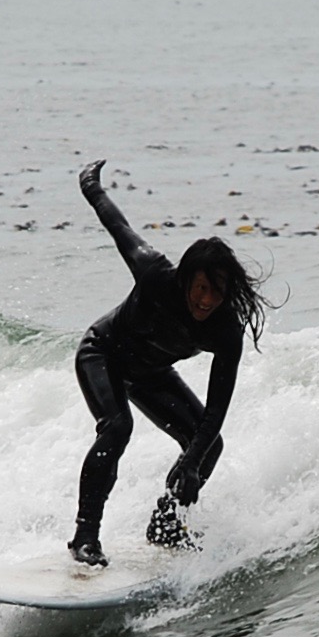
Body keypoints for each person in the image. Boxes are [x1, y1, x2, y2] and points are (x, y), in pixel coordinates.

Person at [67, 160, 267, 567]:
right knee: (117, 428)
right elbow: (119, 227)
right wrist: (92, 187)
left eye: (217, 292)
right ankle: (85, 537)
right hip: (103, 353)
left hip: (150, 374)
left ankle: (165, 525)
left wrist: (191, 462)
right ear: (187, 279)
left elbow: (216, 409)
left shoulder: (226, 330)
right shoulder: (155, 273)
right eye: (201, 288)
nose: (207, 301)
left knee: (207, 446)